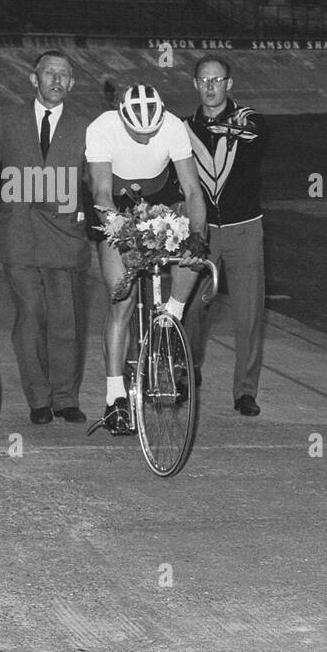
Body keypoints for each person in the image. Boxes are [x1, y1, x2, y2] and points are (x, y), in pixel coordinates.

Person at [86, 85, 208, 436]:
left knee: (193, 249)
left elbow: (192, 189)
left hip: (159, 199)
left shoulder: (171, 126)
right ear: (122, 118)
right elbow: (102, 194)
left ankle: (171, 318)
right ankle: (114, 399)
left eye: (150, 132)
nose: (145, 138)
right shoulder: (102, 127)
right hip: (115, 206)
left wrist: (197, 236)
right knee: (121, 298)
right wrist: (123, 237)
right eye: (137, 132)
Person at [0, 49, 91, 425]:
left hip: (65, 239)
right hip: (20, 237)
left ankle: (65, 398)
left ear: (72, 84)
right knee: (30, 316)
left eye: (63, 75)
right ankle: (39, 400)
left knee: (66, 320)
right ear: (34, 78)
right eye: (49, 73)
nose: (56, 81)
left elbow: (97, 182)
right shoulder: (8, 118)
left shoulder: (84, 127)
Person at [184, 55, 267, 417]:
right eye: (204, 81)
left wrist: (226, 129)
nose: (211, 87)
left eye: (217, 80)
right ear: (195, 84)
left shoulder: (249, 119)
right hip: (201, 231)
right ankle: (188, 369)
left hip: (244, 227)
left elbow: (254, 137)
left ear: (229, 84)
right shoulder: (184, 127)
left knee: (248, 313)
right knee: (190, 309)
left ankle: (245, 391)